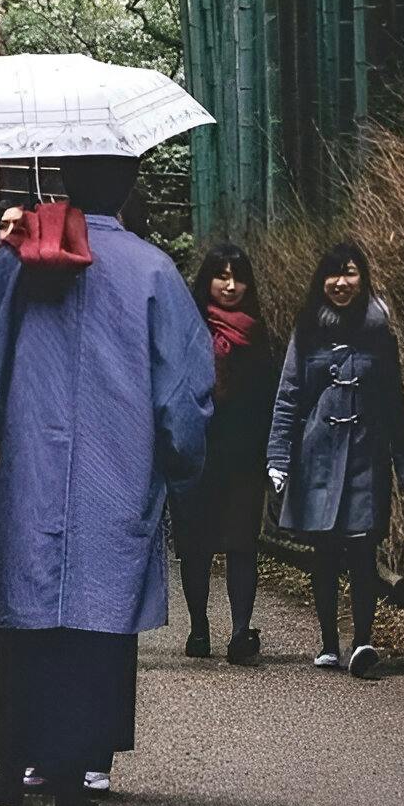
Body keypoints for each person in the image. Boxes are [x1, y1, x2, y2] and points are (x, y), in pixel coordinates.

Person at [0, 152, 215, 806]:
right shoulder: (153, 270)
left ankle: (9, 777)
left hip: (35, 469)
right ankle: (71, 785)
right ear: (127, 186)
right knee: (96, 627)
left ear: (65, 177)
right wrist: (179, 459)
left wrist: (10, 414)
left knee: (29, 621)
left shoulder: (22, 258)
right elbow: (183, 387)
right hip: (117, 472)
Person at [267, 239, 404, 677]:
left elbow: (394, 402)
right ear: (321, 280)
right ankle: (329, 642)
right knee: (325, 551)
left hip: (365, 454)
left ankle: (363, 641)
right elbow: (289, 396)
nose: (341, 282)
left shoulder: (379, 333)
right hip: (316, 453)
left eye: (350, 272)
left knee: (362, 549)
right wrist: (278, 457)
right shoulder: (307, 329)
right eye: (333, 273)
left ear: (363, 277)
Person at [172, 245, 275, 665]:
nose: (230, 286)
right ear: (207, 280)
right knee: (195, 546)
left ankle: (238, 633)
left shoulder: (258, 332)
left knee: (241, 544)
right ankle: (199, 627)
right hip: (197, 452)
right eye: (221, 276)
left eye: (238, 277)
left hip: (243, 455)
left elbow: (270, 395)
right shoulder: (190, 327)